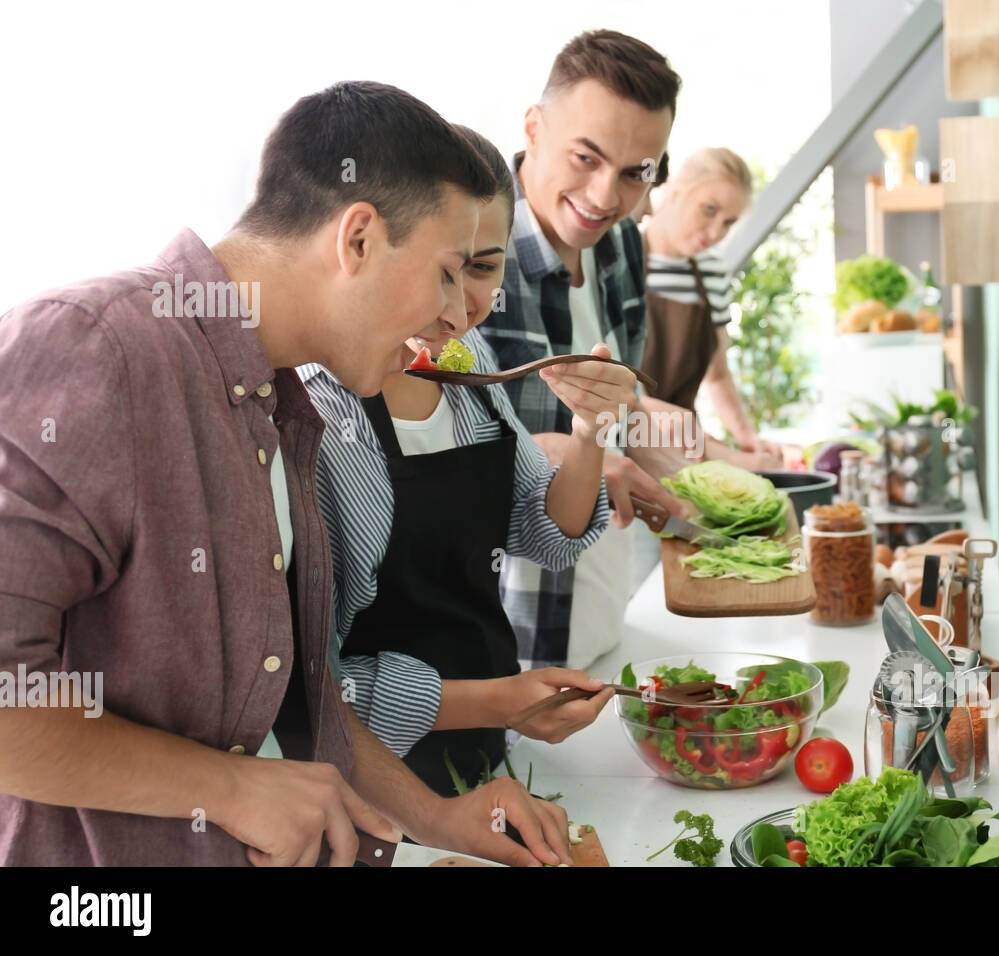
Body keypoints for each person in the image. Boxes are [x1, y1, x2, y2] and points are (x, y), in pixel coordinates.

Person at [0, 81, 574, 867]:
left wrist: (441, 821)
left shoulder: (287, 405)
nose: (455, 316)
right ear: (359, 238)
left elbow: (307, 700)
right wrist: (229, 788)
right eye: (446, 273)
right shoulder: (93, 346)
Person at [300, 128, 622, 796]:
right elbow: (314, 681)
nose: (458, 308)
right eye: (442, 270)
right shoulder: (311, 405)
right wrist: (502, 701)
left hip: (490, 758)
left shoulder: (465, 363)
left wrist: (590, 430)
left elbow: (545, 532)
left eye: (484, 269)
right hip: (371, 784)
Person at [478, 30, 696, 671]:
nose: (605, 196)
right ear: (534, 129)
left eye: (636, 173)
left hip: (606, 618)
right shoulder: (471, 256)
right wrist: (575, 457)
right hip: (507, 652)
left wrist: (697, 466)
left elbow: (619, 404)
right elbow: (439, 446)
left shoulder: (623, 243)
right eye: (585, 158)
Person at [639, 147, 788, 466]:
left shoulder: (711, 275)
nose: (716, 233)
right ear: (676, 191)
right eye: (709, 210)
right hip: (628, 436)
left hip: (687, 443)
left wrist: (748, 440)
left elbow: (717, 375)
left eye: (728, 223)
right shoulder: (621, 259)